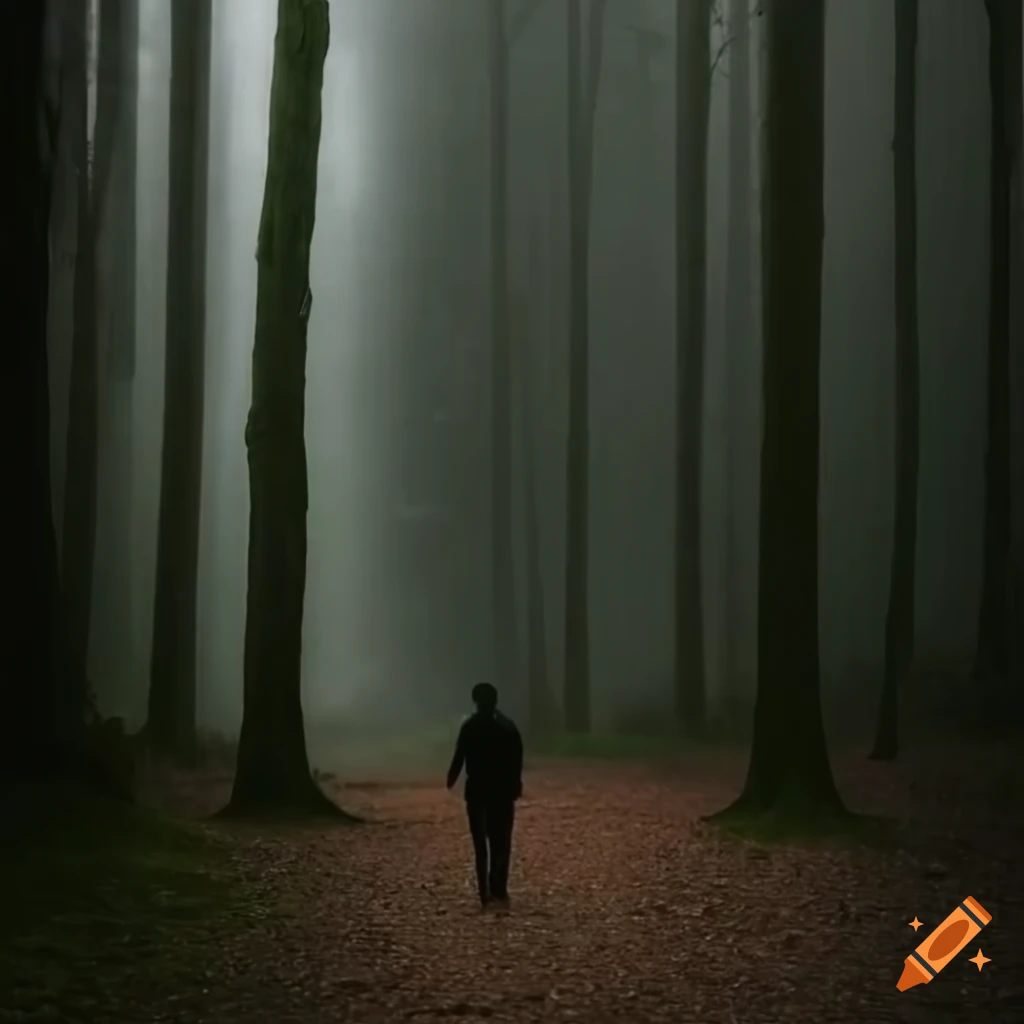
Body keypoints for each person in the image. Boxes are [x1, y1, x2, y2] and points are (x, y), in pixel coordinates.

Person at [446, 682, 523, 909]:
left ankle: (484, 891)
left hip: (477, 790)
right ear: (496, 701)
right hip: (502, 791)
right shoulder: (507, 727)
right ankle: (498, 886)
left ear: (475, 700)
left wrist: (451, 777)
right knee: (502, 841)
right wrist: (516, 783)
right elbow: (516, 759)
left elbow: (459, 755)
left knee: (480, 843)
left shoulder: (470, 726)